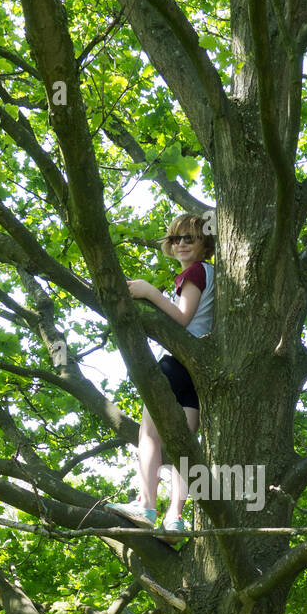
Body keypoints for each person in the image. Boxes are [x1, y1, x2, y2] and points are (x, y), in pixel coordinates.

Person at [111, 213, 214, 536]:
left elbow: (183, 318)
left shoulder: (196, 272)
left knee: (150, 436)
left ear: (204, 243)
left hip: (176, 365)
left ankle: (146, 505)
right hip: (200, 371)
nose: (180, 244)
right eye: (175, 239)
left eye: (189, 238)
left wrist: (148, 292)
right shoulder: (215, 274)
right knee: (185, 445)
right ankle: (175, 517)